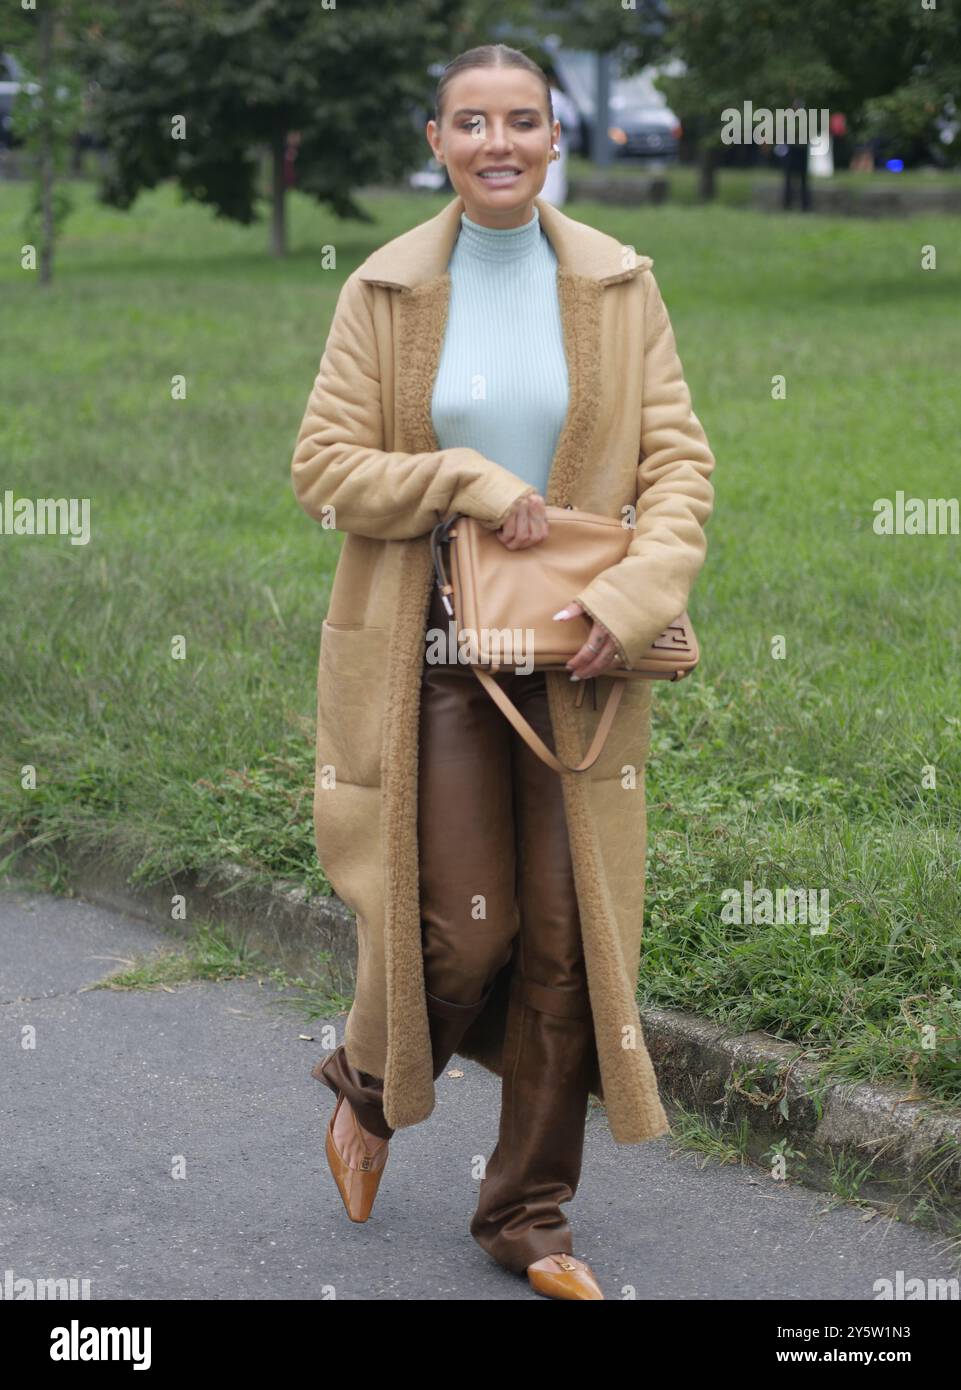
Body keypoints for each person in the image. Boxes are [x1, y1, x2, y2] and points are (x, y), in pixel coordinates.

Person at [289, 41, 716, 1301]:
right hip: (426, 654)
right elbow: (324, 469)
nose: (497, 143)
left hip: (583, 652)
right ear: (436, 142)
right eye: (470, 123)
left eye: (520, 121)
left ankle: (526, 1217)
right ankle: (368, 1083)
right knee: (461, 935)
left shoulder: (619, 283)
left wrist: (632, 601)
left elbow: (679, 467)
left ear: (553, 138)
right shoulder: (385, 289)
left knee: (570, 943)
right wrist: (463, 478)